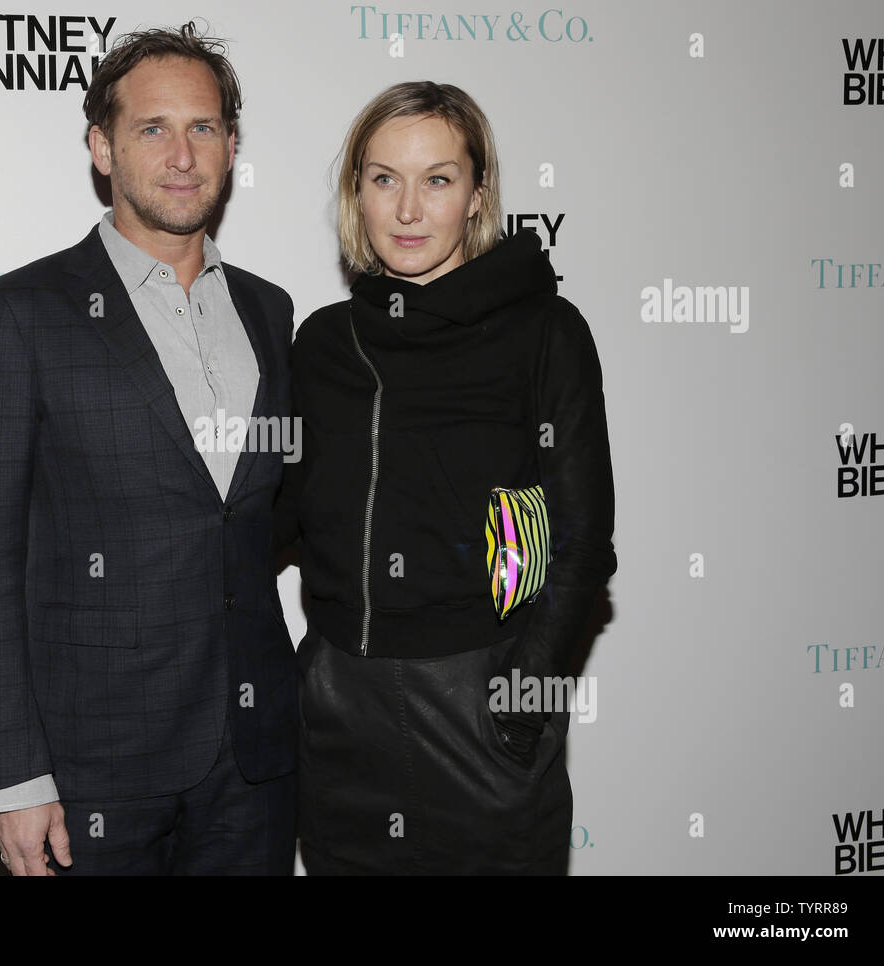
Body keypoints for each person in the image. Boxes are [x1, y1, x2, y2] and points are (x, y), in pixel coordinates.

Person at [0, 23, 297, 876]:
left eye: (203, 128)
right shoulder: (19, 314)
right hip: (89, 773)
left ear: (232, 145)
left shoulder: (271, 313)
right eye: (151, 129)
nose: (182, 155)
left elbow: (272, 522)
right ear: (102, 148)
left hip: (257, 765)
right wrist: (12, 778)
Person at [274, 81, 617, 874]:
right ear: (355, 192)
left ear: (477, 195)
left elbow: (583, 542)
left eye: (438, 179)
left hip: (481, 706)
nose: (407, 209)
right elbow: (282, 517)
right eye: (383, 177)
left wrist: (519, 708)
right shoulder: (325, 342)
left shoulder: (545, 330)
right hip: (337, 713)